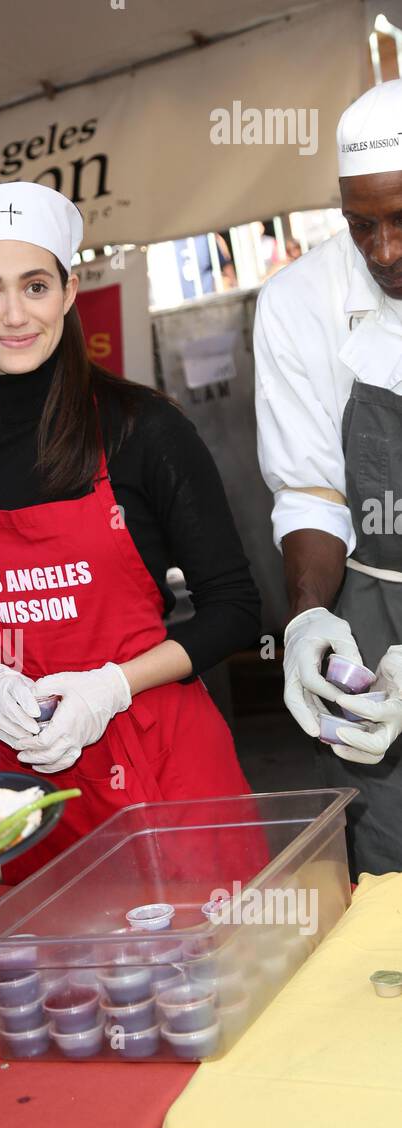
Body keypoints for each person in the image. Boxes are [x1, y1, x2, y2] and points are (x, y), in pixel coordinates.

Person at [0, 181, 261, 879]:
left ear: (69, 292)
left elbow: (235, 610)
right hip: (34, 788)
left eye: (36, 286)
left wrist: (110, 688)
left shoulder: (145, 431)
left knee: (217, 945)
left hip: (167, 761)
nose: (15, 315)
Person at [254, 79, 402, 877]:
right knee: (386, 856)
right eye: (360, 225)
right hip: (371, 611)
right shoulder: (298, 301)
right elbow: (311, 489)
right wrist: (309, 616)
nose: (383, 251)